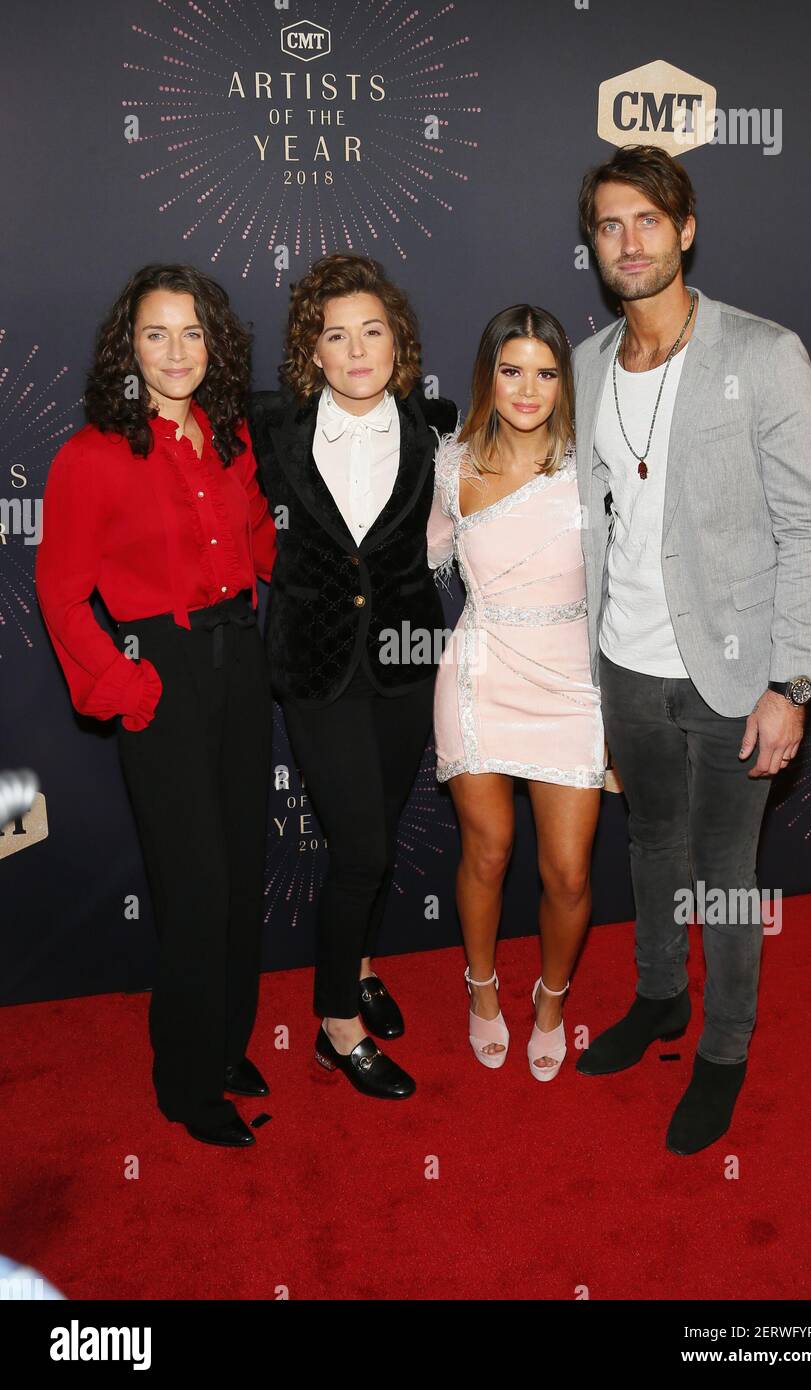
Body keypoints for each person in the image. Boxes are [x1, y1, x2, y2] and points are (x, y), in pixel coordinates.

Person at [572, 144, 811, 1152]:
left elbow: (809, 526)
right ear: (592, 245)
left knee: (723, 867)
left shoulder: (760, 353)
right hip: (627, 661)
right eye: (609, 224)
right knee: (646, 845)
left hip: (733, 671)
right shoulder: (589, 365)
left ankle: (723, 1048)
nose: (628, 241)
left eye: (647, 219)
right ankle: (657, 999)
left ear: (683, 230)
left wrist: (789, 681)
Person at [35, 264, 277, 1148]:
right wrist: (128, 687)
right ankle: (184, 1081)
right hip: (159, 669)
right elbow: (61, 596)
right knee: (195, 886)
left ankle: (225, 1047)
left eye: (191, 333)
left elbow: (259, 542)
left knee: (243, 872)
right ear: (126, 347)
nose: (176, 352)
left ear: (214, 343)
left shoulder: (231, 437)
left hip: (239, 659)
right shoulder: (90, 456)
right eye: (155, 334)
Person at [249, 252, 457, 1100]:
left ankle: (361, 964)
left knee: (378, 830)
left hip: (406, 665)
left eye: (373, 331)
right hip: (316, 667)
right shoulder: (271, 429)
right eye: (338, 335)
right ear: (315, 352)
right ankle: (338, 1024)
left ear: (398, 346)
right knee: (362, 849)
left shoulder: (434, 427)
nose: (358, 349)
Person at [426, 305, 605, 1081]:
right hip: (480, 672)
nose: (527, 388)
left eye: (545, 371)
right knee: (489, 852)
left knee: (567, 873)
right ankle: (482, 987)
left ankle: (554, 997)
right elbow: (427, 557)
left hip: (571, 683)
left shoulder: (590, 464)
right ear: (487, 376)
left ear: (565, 381)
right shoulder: (450, 464)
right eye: (510, 370)